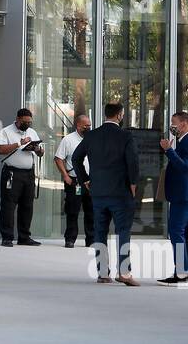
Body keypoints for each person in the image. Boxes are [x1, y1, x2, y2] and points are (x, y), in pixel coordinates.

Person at [73, 102, 140, 286]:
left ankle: (103, 273)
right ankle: (124, 273)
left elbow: (75, 157)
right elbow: (133, 161)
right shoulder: (126, 136)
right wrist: (133, 183)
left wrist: (84, 179)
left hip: (98, 192)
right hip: (121, 192)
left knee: (99, 232)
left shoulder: (91, 135)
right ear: (119, 115)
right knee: (123, 231)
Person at [158, 111, 188, 285]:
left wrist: (169, 151)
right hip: (186, 194)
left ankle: (182, 272)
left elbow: (184, 166)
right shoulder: (187, 141)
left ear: (184, 124)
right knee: (187, 232)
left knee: (176, 230)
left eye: (174, 123)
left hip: (184, 195)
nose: (172, 126)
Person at [0, 108, 43, 246]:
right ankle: (7, 237)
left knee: (27, 206)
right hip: (12, 173)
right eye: (25, 122)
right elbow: (0, 150)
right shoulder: (6, 131)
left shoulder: (31, 132)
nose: (27, 124)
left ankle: (24, 237)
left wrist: (38, 150)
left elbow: (39, 153)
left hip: (28, 173)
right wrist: (19, 143)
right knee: (8, 205)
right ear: (18, 119)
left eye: (30, 122)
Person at [53, 113, 93, 248]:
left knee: (91, 211)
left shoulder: (93, 139)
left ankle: (91, 240)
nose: (88, 128)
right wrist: (65, 176)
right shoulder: (68, 140)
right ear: (78, 126)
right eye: (85, 126)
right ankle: (70, 239)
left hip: (91, 181)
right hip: (74, 180)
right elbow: (58, 158)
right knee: (72, 211)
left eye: (90, 126)